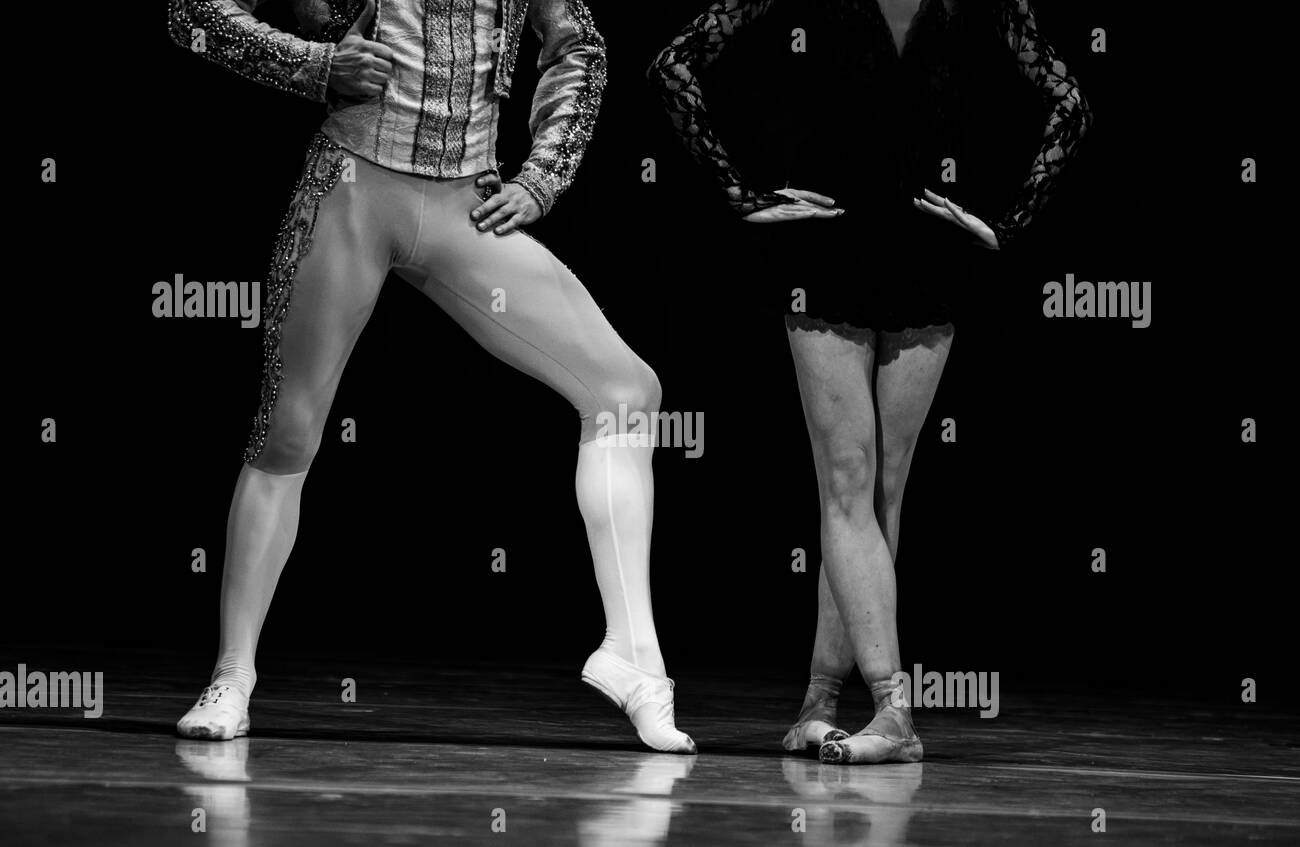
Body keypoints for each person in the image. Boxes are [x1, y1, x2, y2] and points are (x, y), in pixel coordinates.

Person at [167, 0, 696, 754]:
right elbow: (193, 12)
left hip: (464, 205)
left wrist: (543, 174)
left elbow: (578, 44)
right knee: (287, 431)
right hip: (353, 189)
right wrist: (317, 66)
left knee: (626, 393)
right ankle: (232, 675)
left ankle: (634, 657)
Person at [649, 0, 1091, 763]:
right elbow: (672, 66)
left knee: (880, 492)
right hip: (827, 249)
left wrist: (1008, 220)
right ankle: (892, 710)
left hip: (929, 251)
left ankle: (822, 701)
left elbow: (1071, 103)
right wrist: (741, 193)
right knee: (850, 484)